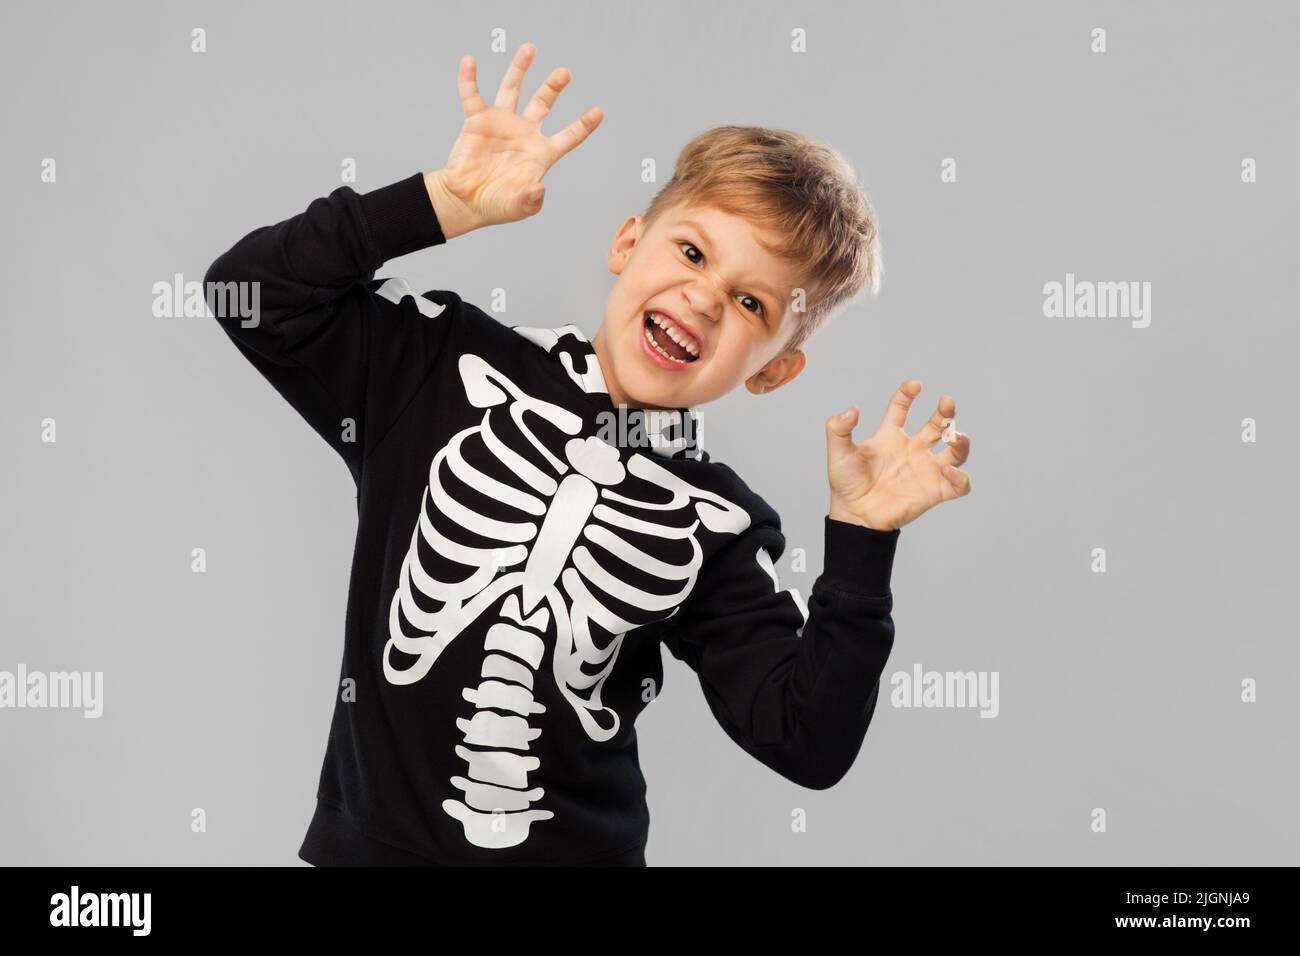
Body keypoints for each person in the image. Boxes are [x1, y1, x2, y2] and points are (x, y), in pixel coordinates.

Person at [203, 41, 972, 866]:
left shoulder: (715, 521)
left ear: (774, 370)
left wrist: (861, 543)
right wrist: (441, 202)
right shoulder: (442, 365)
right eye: (691, 252)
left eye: (751, 303)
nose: (703, 299)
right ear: (627, 242)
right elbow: (249, 294)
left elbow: (806, 742)